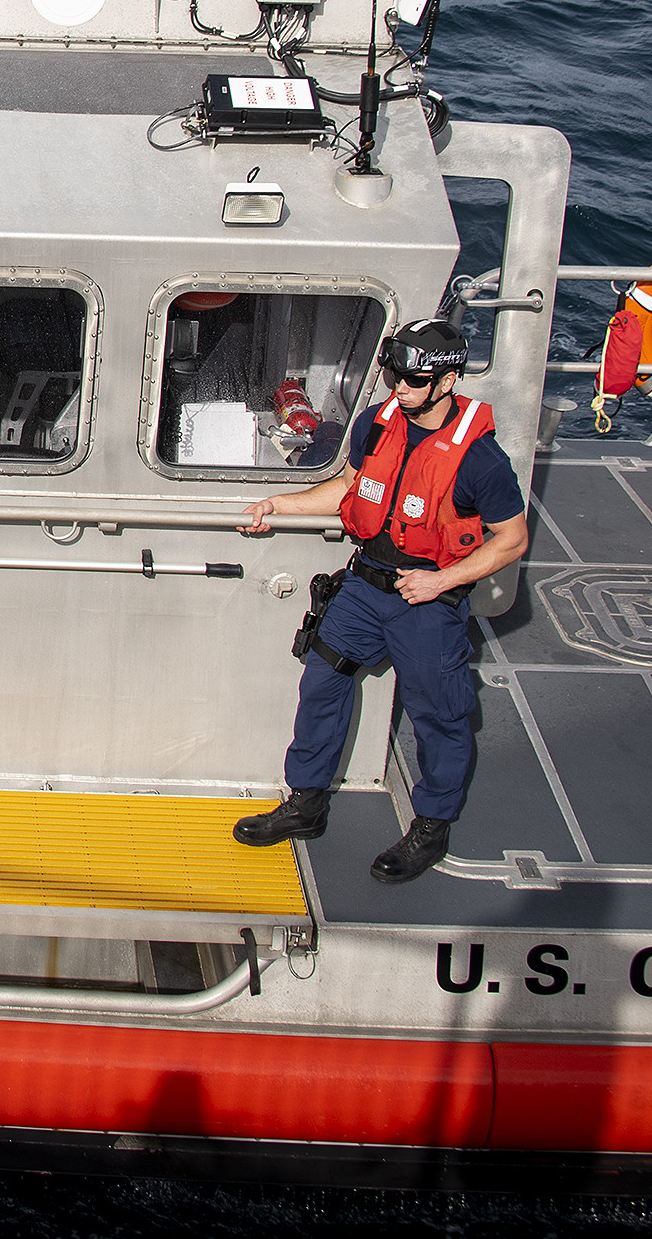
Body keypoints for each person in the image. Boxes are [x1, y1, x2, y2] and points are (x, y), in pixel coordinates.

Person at [229, 319, 531, 884]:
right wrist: (279, 505)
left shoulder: (481, 461)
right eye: (393, 374)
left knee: (439, 715)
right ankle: (307, 803)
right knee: (322, 681)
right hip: (364, 588)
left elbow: (511, 539)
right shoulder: (377, 422)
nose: (398, 387)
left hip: (426, 603)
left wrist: (442, 583)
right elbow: (348, 487)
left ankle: (432, 825)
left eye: (412, 379)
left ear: (448, 380)